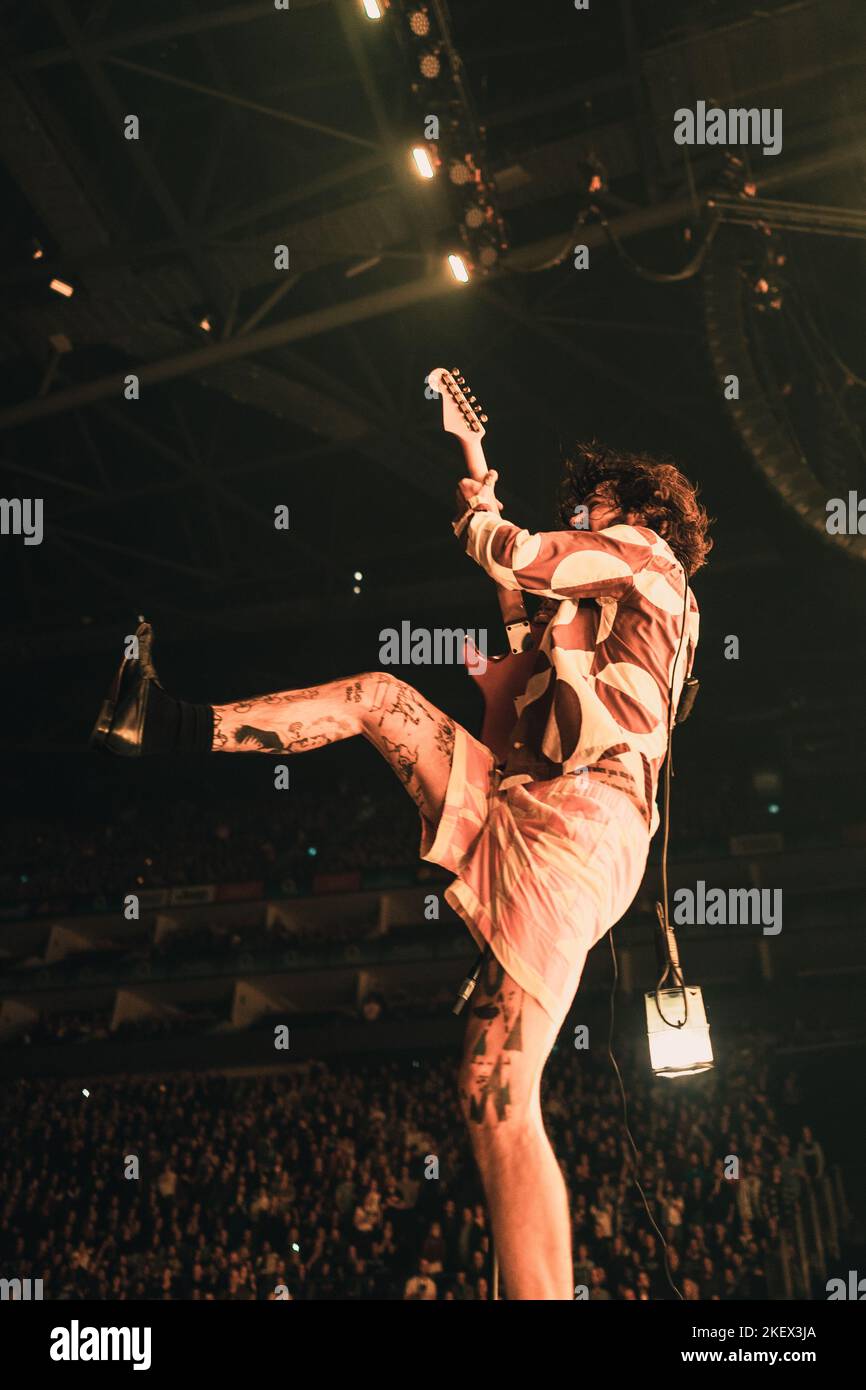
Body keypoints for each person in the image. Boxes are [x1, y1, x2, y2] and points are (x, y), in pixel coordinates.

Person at [91, 443, 712, 1299]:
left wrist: (486, 521)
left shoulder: (650, 556)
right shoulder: (610, 604)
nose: (584, 517)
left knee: (497, 1088)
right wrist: (479, 478)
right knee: (379, 699)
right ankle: (161, 723)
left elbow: (519, 554)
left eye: (595, 503)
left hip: (585, 822)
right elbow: (533, 648)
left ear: (643, 508)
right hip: (535, 800)